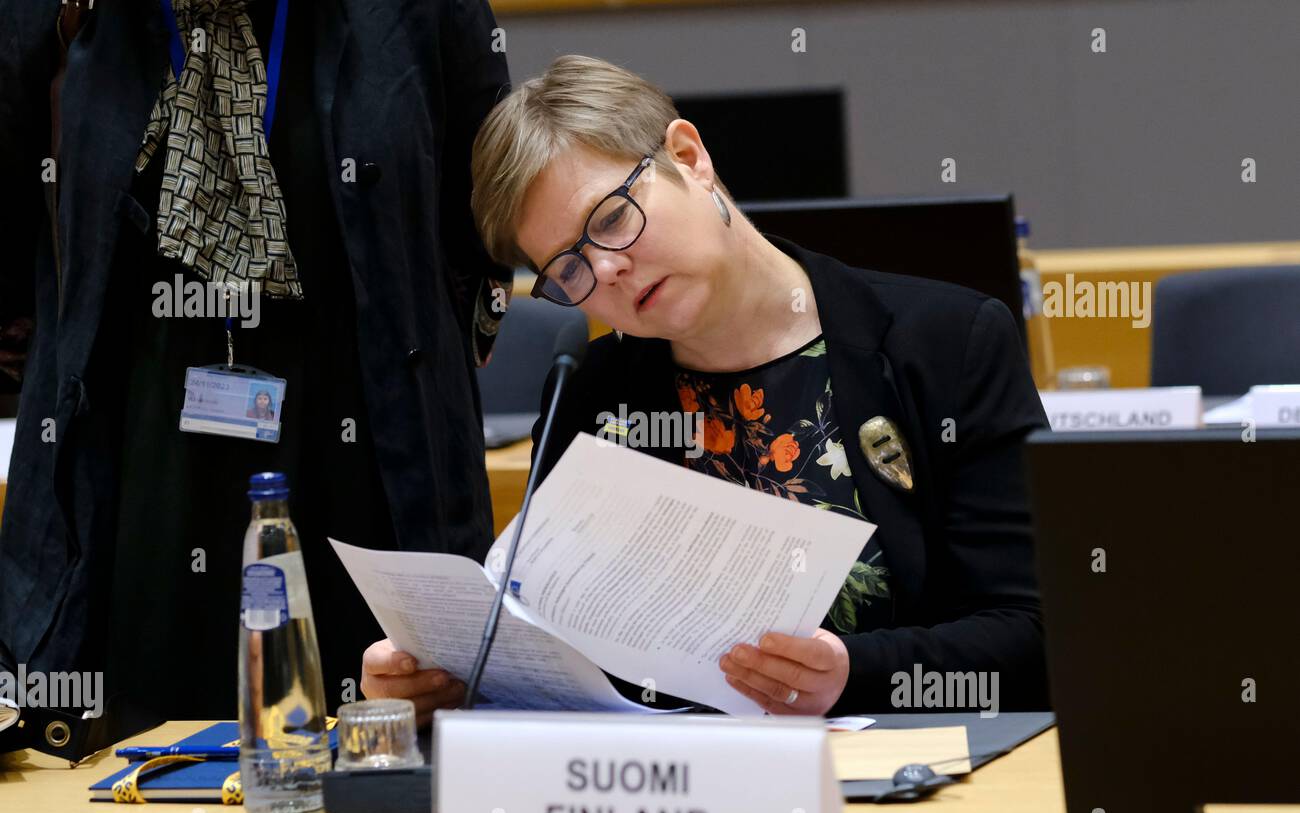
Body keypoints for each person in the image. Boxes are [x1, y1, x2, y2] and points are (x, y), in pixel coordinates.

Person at [362, 54, 1050, 721]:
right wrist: (448, 678)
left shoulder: (947, 345)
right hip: (669, 797)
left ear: (688, 157)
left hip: (908, 790)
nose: (607, 270)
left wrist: (855, 672)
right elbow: (552, 640)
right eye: (568, 269)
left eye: (610, 219)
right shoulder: (595, 391)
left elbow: (1033, 636)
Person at [0, 0, 511, 719]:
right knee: (140, 748)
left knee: (376, 724)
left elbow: (486, 199)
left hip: (365, 427)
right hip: (141, 446)